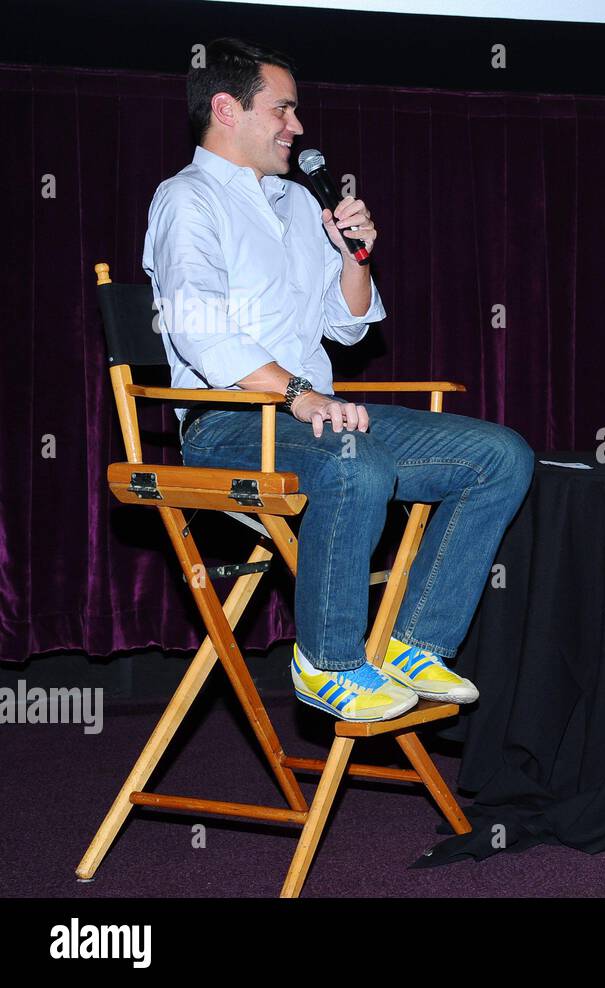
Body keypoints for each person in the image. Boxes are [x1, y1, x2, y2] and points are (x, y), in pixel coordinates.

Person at [143, 38, 534, 722]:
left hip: (314, 416)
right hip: (229, 425)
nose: (297, 127)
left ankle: (415, 644)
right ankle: (326, 661)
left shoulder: (300, 205)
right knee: (357, 466)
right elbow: (199, 328)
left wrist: (356, 257)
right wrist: (297, 393)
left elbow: (348, 327)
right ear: (227, 108)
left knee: (501, 456)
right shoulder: (186, 199)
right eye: (284, 110)